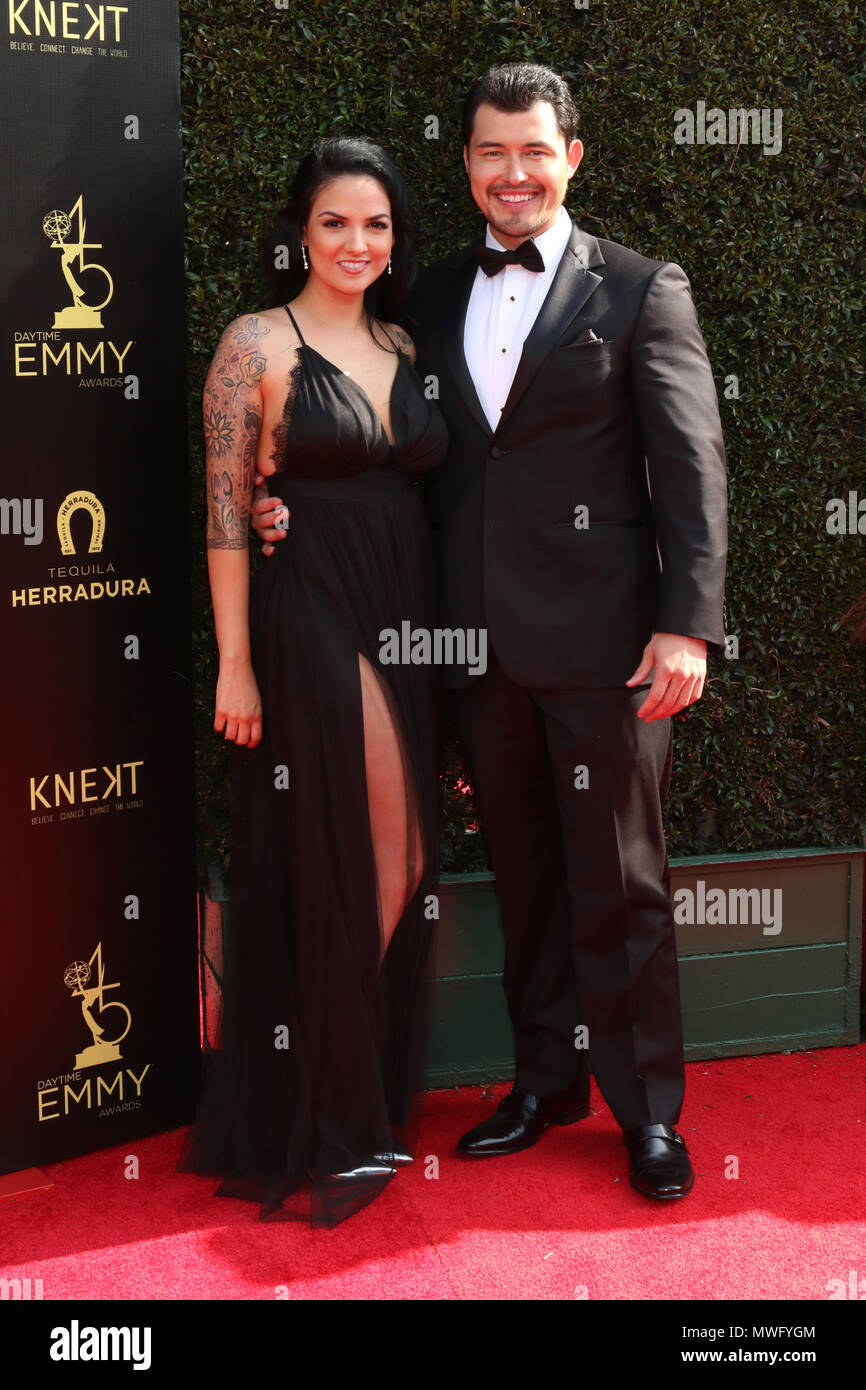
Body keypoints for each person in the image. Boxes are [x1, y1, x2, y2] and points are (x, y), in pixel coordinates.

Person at [252, 64, 728, 1201]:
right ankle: (542, 1079)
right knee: (523, 874)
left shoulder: (637, 287)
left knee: (619, 881)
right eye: (486, 153)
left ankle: (646, 1111)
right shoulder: (421, 298)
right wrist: (287, 508)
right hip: (472, 647)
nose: (510, 173)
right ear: (464, 164)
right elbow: (389, 445)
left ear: (572, 156)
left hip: (610, 647)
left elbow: (690, 465)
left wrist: (686, 627)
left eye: (531, 151)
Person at [177, 137, 448, 1228]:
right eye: (334, 221)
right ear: (299, 229)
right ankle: (329, 1113)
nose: (355, 242)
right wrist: (235, 664)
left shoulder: (403, 339)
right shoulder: (255, 344)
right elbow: (226, 515)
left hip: (407, 614)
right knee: (351, 852)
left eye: (375, 223)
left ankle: (363, 1096)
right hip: (311, 619)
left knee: (409, 856)